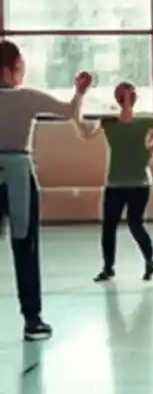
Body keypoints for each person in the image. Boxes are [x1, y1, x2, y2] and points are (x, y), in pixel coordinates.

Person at [0, 40, 90, 341]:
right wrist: (79, 92)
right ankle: (32, 319)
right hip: (19, 173)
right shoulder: (26, 97)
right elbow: (68, 111)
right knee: (25, 245)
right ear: (10, 69)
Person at [73, 82, 153, 283]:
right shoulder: (109, 122)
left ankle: (150, 261)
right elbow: (86, 134)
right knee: (109, 227)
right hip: (115, 184)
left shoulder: (144, 120)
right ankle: (108, 267)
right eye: (123, 95)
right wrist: (76, 109)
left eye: (129, 94)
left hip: (139, 184)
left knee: (135, 223)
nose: (126, 98)